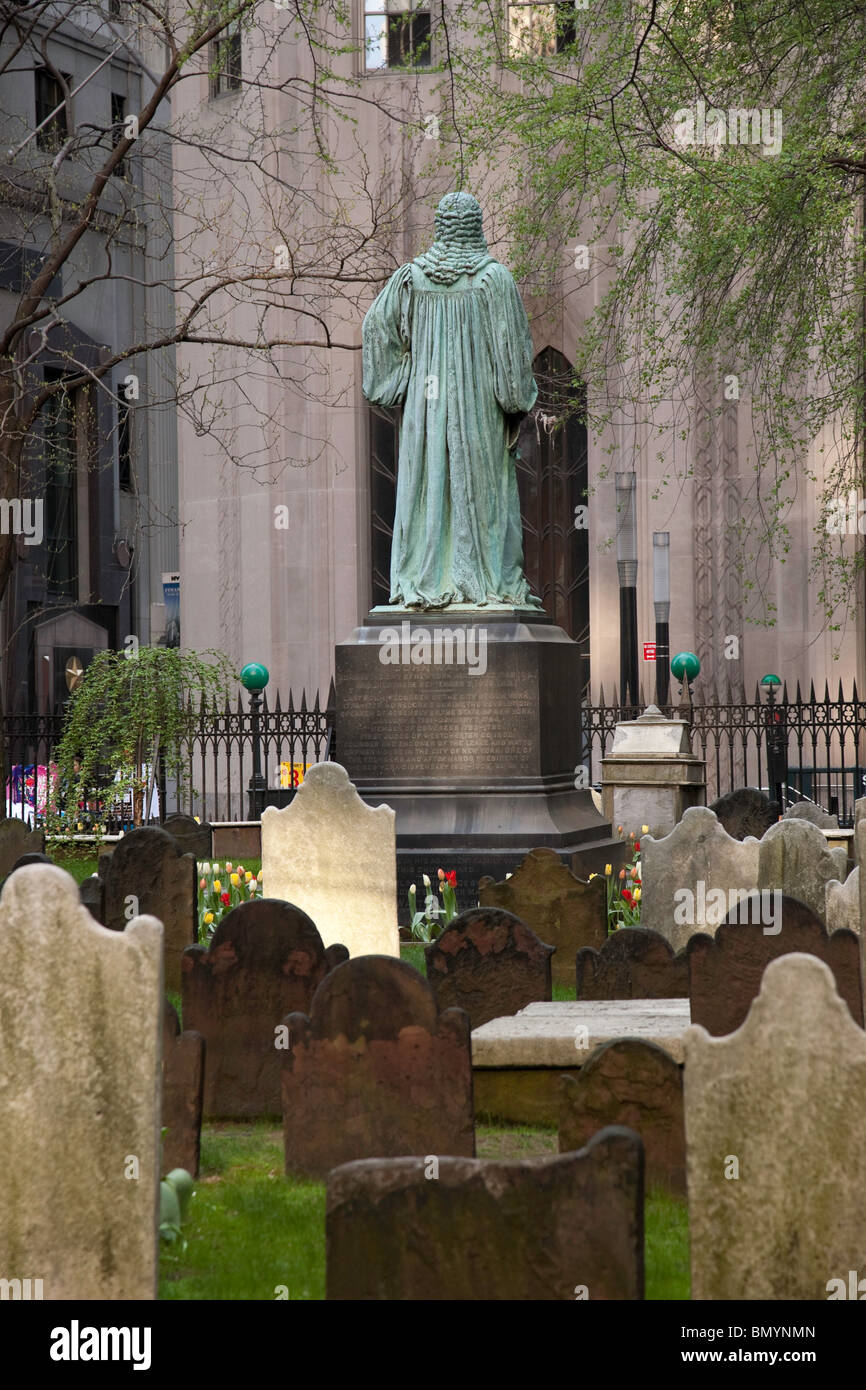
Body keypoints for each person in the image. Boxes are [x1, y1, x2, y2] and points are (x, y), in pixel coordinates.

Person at [362, 191, 543, 611]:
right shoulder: (494, 280)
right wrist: (514, 403)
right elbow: (514, 372)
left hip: (427, 413)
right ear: (476, 227)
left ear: (441, 229)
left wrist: (404, 379)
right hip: (478, 414)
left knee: (427, 490)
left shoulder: (410, 279)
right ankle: (485, 583)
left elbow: (375, 334)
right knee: (482, 496)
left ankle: (425, 579)